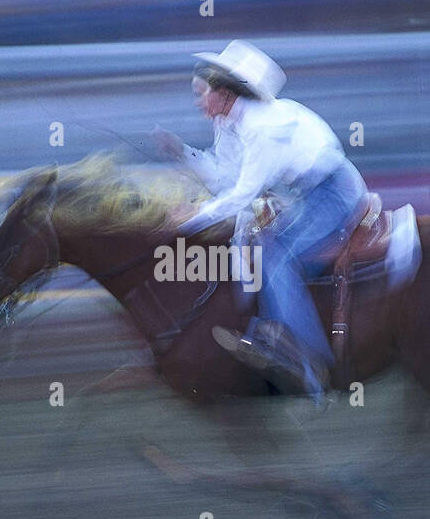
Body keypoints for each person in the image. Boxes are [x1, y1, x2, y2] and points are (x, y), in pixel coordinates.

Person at [153, 40, 368, 403]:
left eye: (199, 93)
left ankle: (310, 360)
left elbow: (242, 194)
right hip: (312, 195)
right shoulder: (231, 123)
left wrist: (192, 220)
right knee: (264, 249)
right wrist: (183, 154)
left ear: (222, 93)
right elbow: (225, 176)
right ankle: (277, 334)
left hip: (335, 194)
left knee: (275, 258)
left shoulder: (261, 128)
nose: (197, 102)